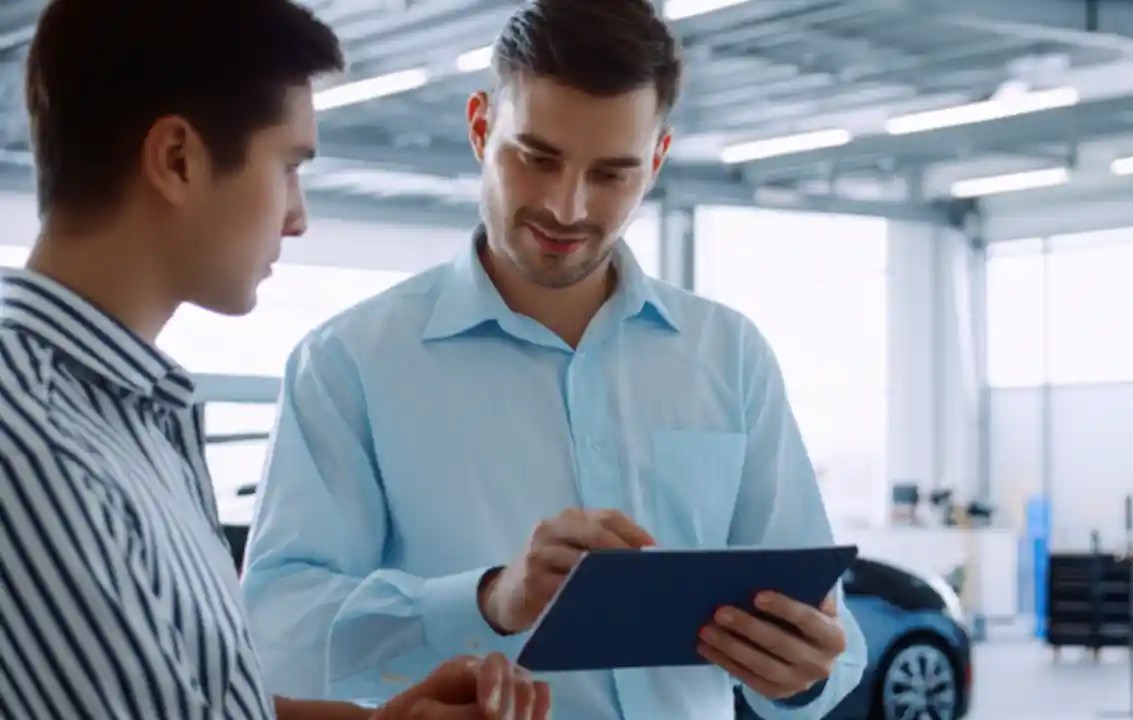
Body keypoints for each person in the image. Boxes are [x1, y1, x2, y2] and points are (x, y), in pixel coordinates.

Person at [242, 0, 868, 717]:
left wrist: (806, 673)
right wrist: (487, 600)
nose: (567, 208)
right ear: (481, 127)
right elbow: (275, 629)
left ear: (657, 160)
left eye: (612, 174)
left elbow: (829, 635)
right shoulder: (348, 363)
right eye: (537, 159)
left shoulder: (729, 356)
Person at [0, 2, 550, 719]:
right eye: (289, 166)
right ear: (177, 160)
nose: (298, 215)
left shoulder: (132, 410)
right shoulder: (34, 442)